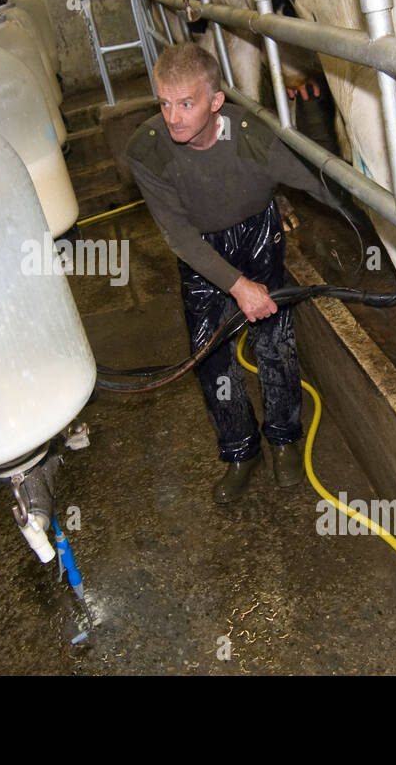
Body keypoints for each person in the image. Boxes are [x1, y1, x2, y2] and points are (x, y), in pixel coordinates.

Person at [125, 43, 342, 504]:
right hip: (200, 249)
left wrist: (386, 219)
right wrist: (240, 287)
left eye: (186, 103)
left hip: (257, 231)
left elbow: (315, 182)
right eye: (164, 103)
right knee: (210, 353)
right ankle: (241, 451)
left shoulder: (251, 136)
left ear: (216, 101)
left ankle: (283, 439)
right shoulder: (147, 151)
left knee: (274, 340)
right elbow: (179, 237)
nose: (173, 117)